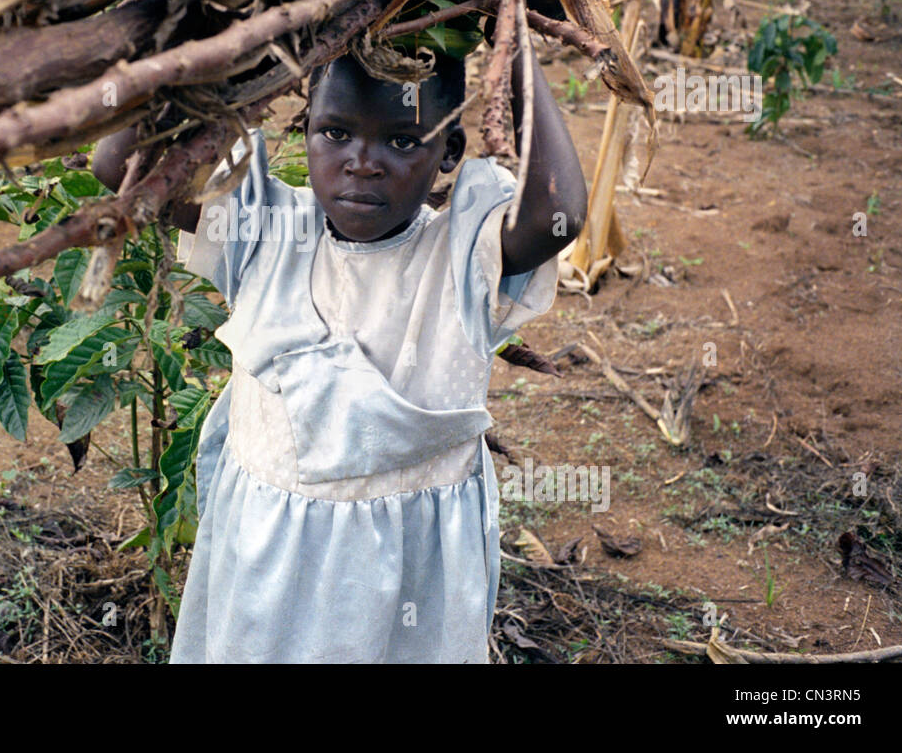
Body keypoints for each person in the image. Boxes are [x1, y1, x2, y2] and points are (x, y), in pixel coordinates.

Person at [92, 43, 587, 662]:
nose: (363, 163)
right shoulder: (266, 229)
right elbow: (120, 165)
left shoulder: (461, 257)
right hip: (265, 562)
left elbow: (561, 215)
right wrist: (217, 38)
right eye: (336, 132)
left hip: (406, 574)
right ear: (304, 131)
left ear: (449, 153)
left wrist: (514, 36)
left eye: (403, 142)